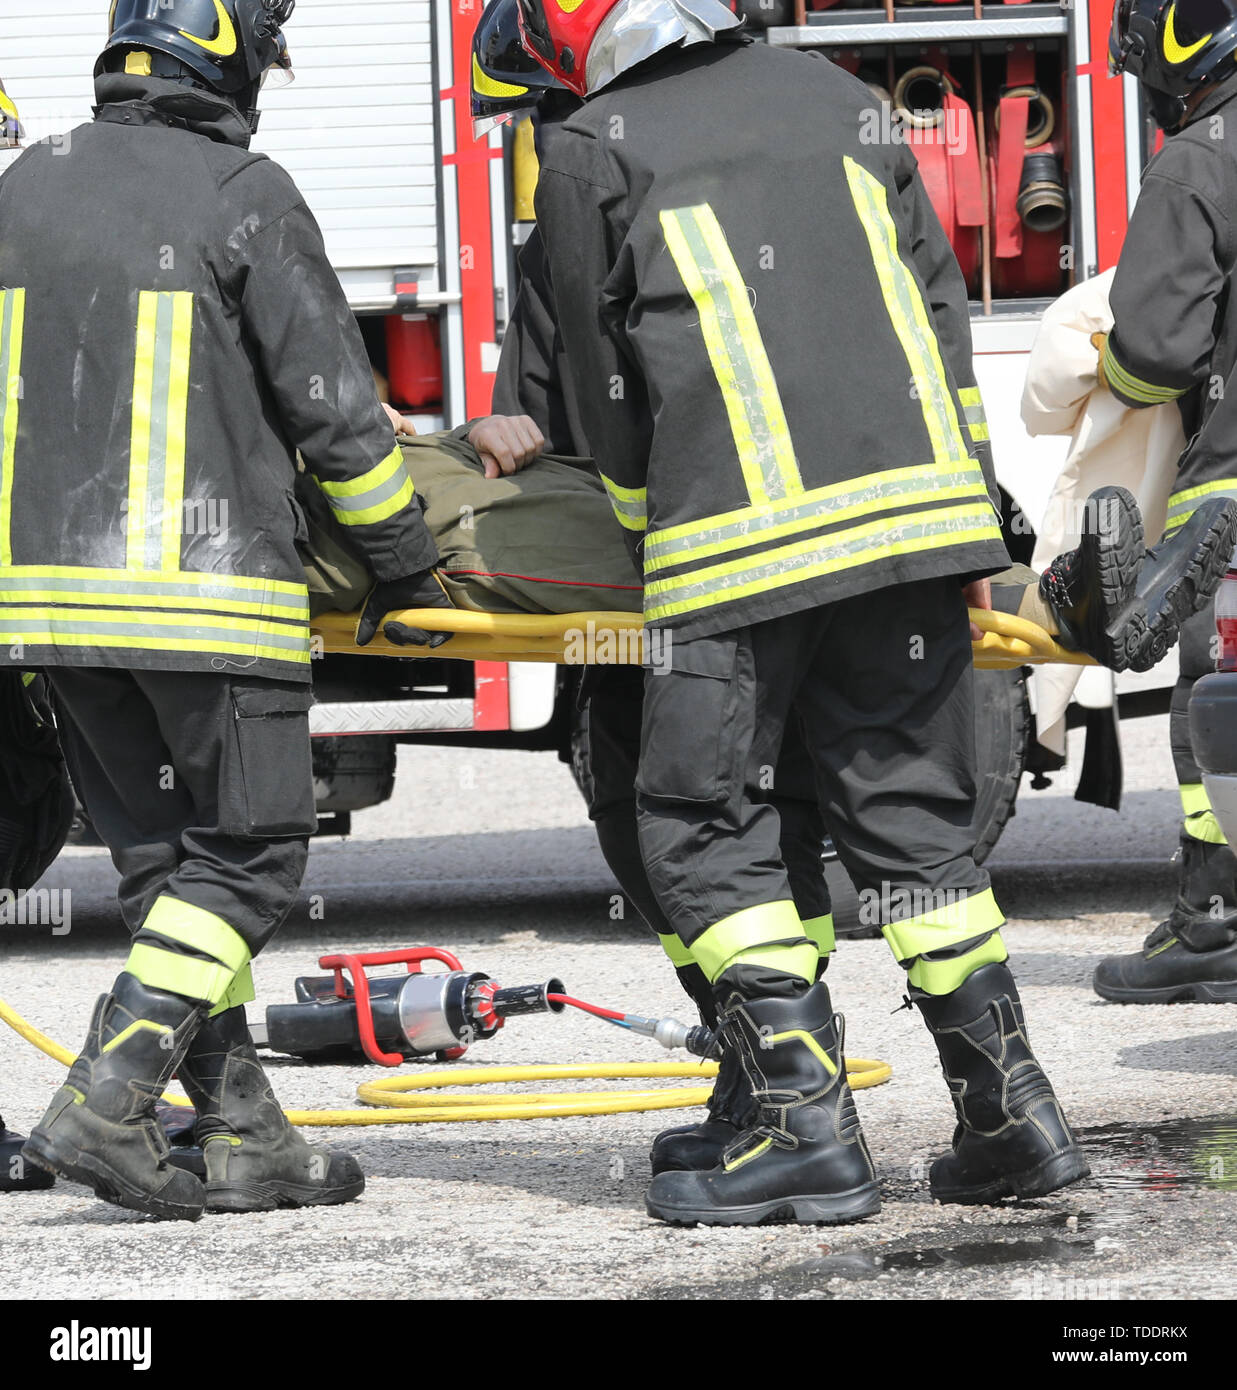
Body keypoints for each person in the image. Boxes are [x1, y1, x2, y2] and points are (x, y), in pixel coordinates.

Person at [511, 0, 1095, 1225]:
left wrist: (634, 516)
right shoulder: (839, 97)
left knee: (702, 825)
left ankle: (799, 1125)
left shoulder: (590, 146)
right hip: (917, 535)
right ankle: (1013, 1117)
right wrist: (962, 521)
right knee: (917, 835)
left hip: (733, 553)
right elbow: (936, 316)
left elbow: (595, 379)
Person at [1, 0, 450, 1221]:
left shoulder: (21, 184)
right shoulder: (241, 189)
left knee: (165, 865)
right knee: (249, 857)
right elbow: (335, 414)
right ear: (227, 51)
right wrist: (406, 560)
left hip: (50, 609)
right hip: (207, 600)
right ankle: (109, 1095)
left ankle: (244, 1131)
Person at [1094, 0, 1237, 1005]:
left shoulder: (1196, 160)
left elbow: (1153, 351)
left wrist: (1108, 377)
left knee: (1209, 698)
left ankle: (1211, 916)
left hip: (1227, 472)